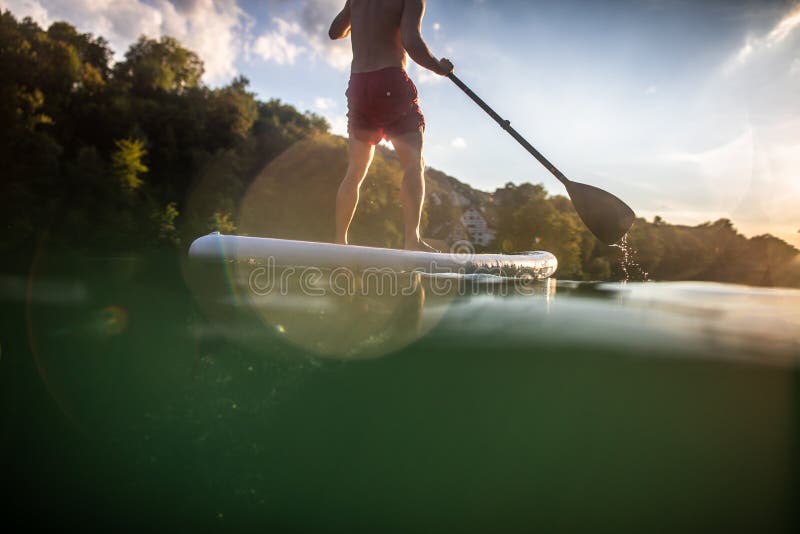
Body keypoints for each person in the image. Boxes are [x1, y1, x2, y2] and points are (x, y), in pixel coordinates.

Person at [329, 0, 454, 251]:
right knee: (412, 164)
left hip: (359, 85)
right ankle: (412, 240)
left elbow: (335, 32)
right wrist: (438, 68)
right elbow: (411, 42)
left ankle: (339, 242)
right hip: (389, 81)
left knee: (355, 169)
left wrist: (363, 23)